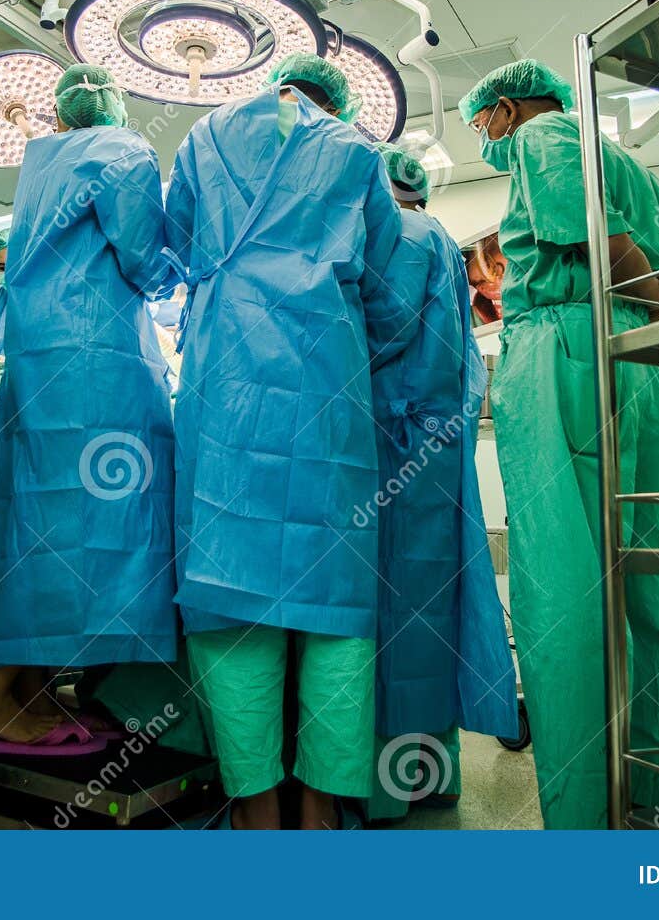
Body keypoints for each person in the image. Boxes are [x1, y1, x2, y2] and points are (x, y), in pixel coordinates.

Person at [460, 57, 659, 829]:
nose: (486, 140)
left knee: (563, 588)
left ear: (506, 109)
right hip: (638, 366)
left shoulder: (546, 137)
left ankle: (583, 820)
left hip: (564, 356)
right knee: (648, 583)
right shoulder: (632, 162)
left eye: (481, 126)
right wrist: (646, 295)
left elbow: (597, 244)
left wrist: (627, 285)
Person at [166, 52, 406, 829]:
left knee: (232, 594)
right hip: (323, 385)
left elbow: (172, 246)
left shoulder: (204, 136)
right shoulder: (355, 151)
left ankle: (257, 812)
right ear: (333, 97)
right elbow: (387, 291)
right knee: (332, 602)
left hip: (225, 383)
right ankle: (319, 812)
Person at [0, 63, 179, 748]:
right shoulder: (124, 149)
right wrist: (187, 271)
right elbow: (142, 256)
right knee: (90, 521)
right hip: (96, 359)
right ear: (114, 106)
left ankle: (28, 688)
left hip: (41, 359)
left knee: (37, 521)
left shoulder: (41, 159)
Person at [364, 147, 518, 823]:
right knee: (430, 613)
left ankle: (383, 790)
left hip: (389, 446)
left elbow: (382, 330)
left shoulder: (402, 234)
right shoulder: (442, 242)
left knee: (390, 620)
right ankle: (432, 775)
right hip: (429, 454)